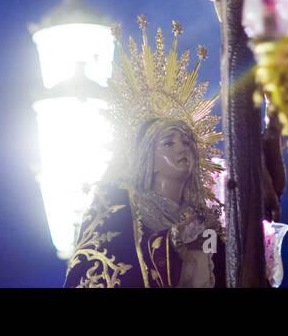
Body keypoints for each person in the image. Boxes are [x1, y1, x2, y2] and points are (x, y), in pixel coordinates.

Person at [65, 117, 225, 287]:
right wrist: (170, 242)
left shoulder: (202, 221)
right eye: (168, 144)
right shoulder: (121, 208)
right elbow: (107, 263)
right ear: (150, 158)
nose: (182, 149)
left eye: (186, 142)